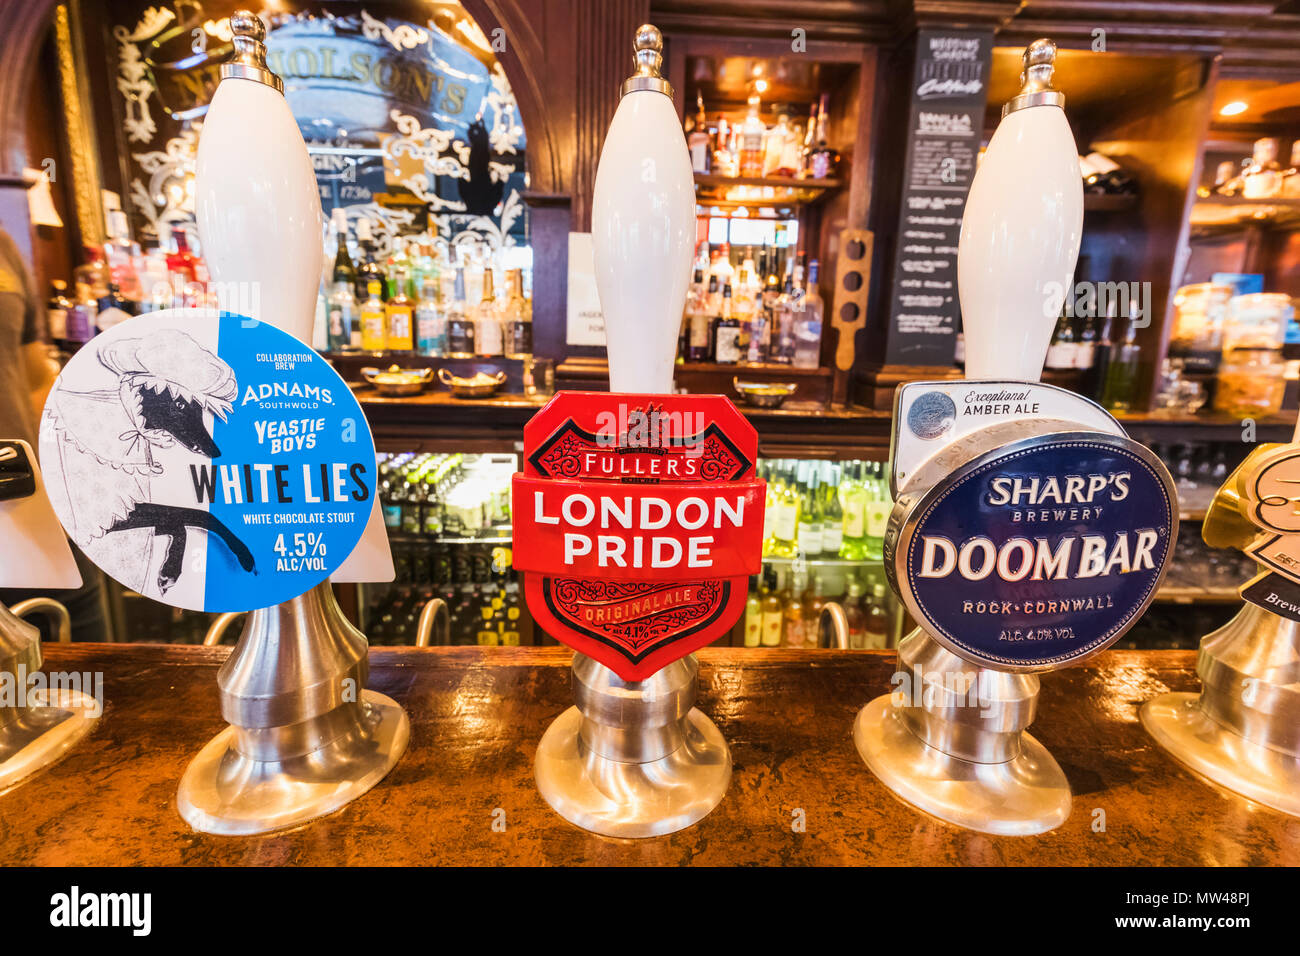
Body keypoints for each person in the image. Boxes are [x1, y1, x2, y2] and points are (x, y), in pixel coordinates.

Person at [0, 225, 109, 641]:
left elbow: (32, 379)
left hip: (28, 513)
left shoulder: (3, 244)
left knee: (90, 671)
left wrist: (67, 483)